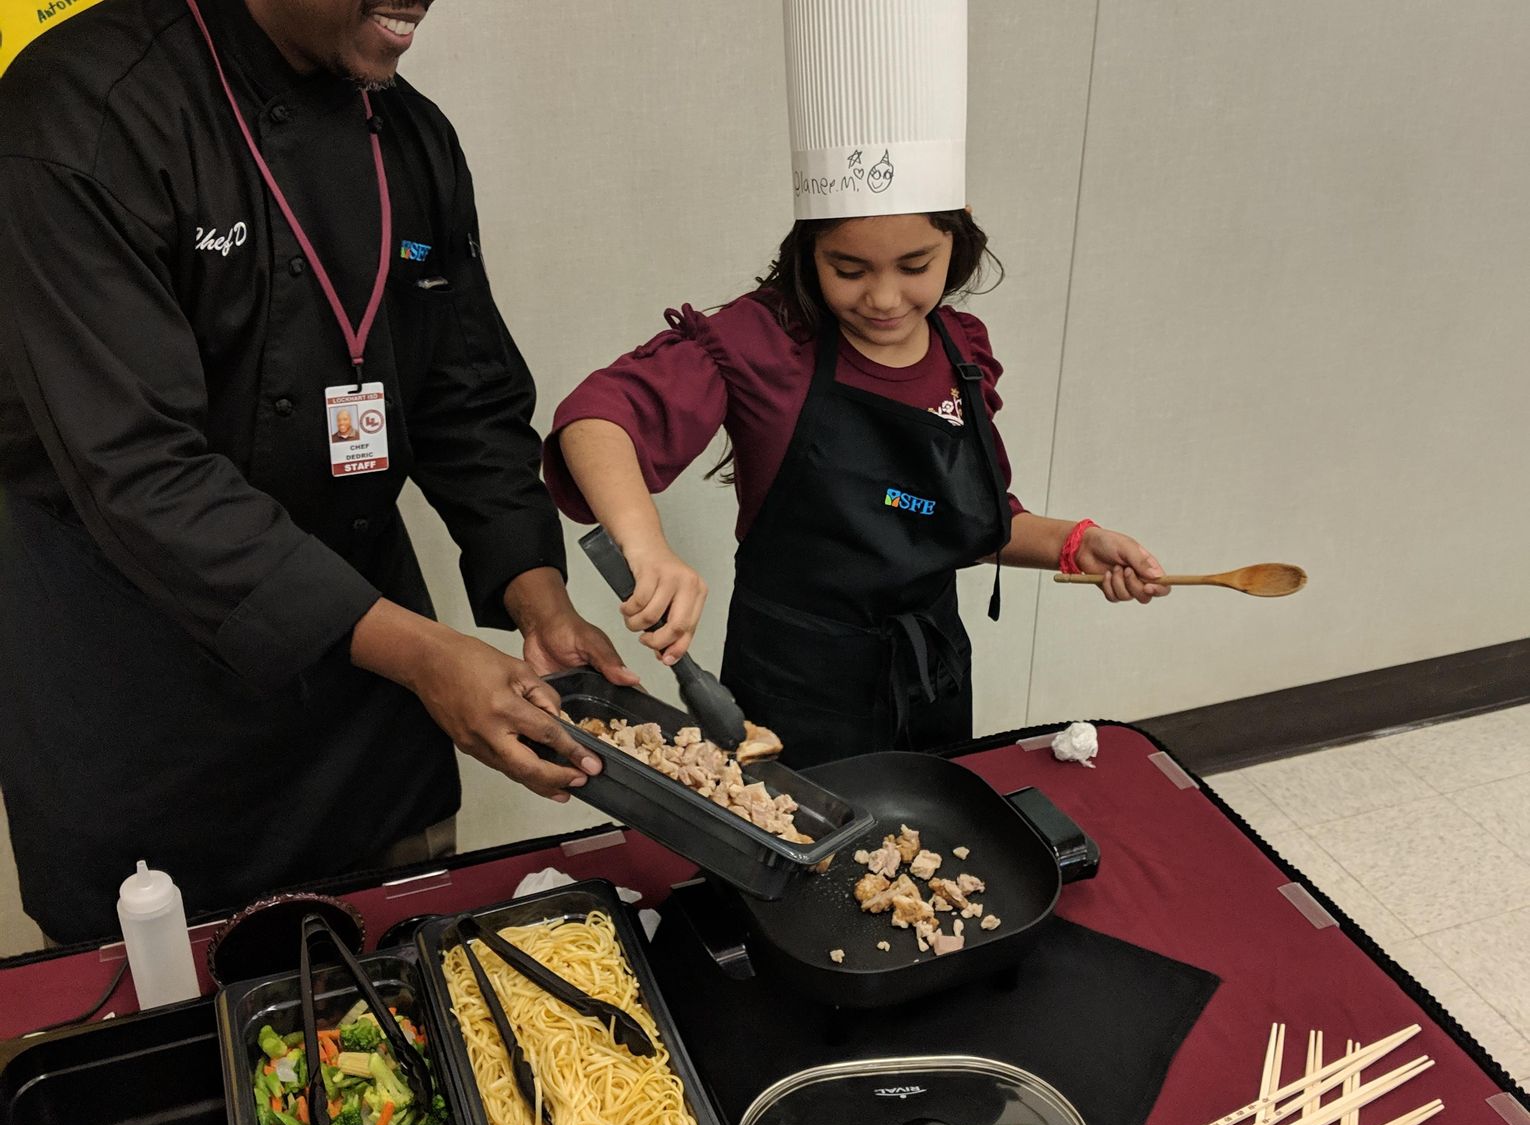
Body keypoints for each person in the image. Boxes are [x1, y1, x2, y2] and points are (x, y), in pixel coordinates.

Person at [0, 0, 635, 945]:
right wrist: (425, 653)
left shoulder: (412, 136)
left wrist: (540, 597)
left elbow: (465, 396)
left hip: (370, 730)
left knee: (413, 1020)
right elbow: (142, 472)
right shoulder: (80, 117)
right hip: (144, 712)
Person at [544, 0, 1167, 768]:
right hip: (793, 689)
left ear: (957, 236)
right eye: (849, 268)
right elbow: (597, 418)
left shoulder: (962, 353)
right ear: (809, 250)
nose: (882, 298)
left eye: (915, 267)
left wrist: (1078, 543)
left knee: (926, 851)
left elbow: (946, 517)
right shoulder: (766, 340)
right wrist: (648, 547)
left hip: (932, 676)